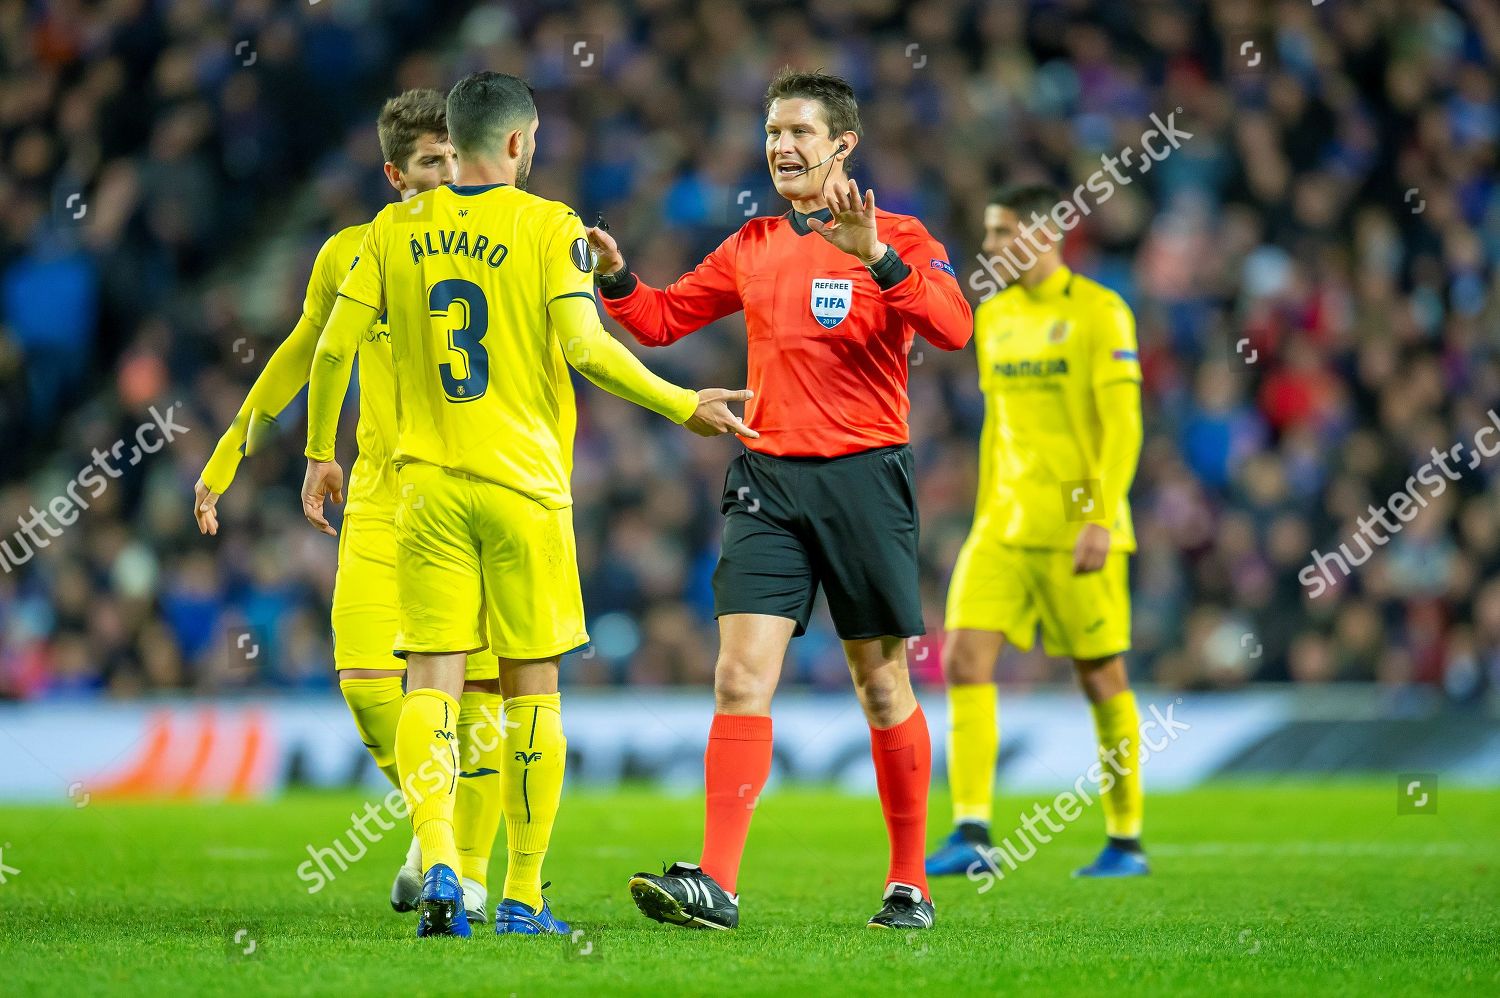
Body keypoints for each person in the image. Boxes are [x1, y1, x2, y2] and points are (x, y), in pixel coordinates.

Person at [300, 71, 753, 938]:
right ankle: (522, 895)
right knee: (530, 691)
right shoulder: (551, 226)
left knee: (431, 681)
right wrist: (680, 403)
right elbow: (584, 348)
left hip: (425, 491)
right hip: (525, 491)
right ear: (516, 143)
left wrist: (322, 451)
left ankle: (440, 862)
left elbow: (331, 350)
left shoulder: (393, 229)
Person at [589, 68, 972, 930]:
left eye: (800, 132)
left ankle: (909, 883)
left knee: (882, 686)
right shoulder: (752, 244)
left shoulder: (901, 236)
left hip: (865, 480)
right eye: (773, 133)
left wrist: (875, 256)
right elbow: (660, 319)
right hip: (766, 483)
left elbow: (954, 328)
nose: (782, 147)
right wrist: (616, 278)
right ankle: (717, 886)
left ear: (844, 144)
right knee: (738, 677)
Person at [193, 90, 509, 924]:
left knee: (477, 698)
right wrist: (230, 453)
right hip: (378, 498)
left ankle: (458, 869)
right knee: (369, 687)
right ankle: (436, 830)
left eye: (456, 156)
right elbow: (304, 353)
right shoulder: (349, 254)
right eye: (431, 161)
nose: (448, 172)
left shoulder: (501, 243)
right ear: (395, 174)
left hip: (477, 497)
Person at [926, 183, 1148, 880]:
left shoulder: (1101, 312)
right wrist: (982, 514)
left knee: (1100, 675)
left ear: (1044, 233)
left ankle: (1125, 840)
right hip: (1002, 522)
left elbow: (1122, 425)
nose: (989, 246)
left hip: (1078, 519)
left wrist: (1100, 514)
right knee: (962, 658)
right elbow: (1000, 431)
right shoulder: (994, 317)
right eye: (989, 232)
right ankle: (971, 829)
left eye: (1001, 232)